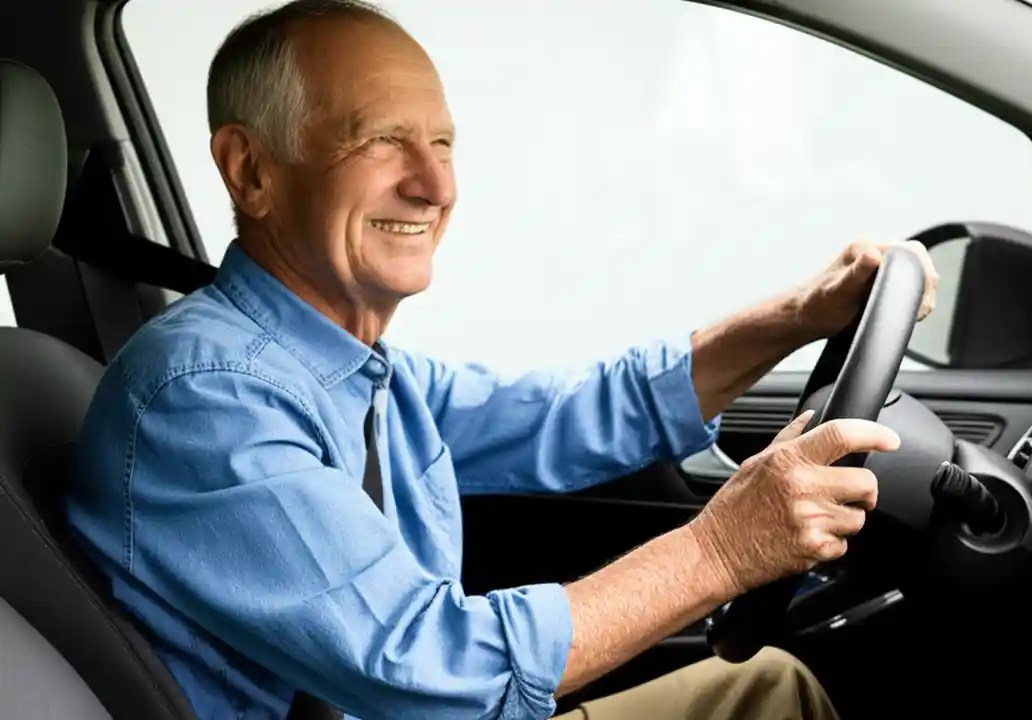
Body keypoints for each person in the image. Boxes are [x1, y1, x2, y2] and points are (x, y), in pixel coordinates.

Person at [65, 1, 939, 718]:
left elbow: (575, 416)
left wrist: (798, 314)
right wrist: (722, 550)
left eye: (442, 144)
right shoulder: (208, 397)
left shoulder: (353, 372)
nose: (435, 186)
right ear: (250, 170)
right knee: (777, 696)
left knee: (772, 683)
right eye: (380, 140)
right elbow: (426, 666)